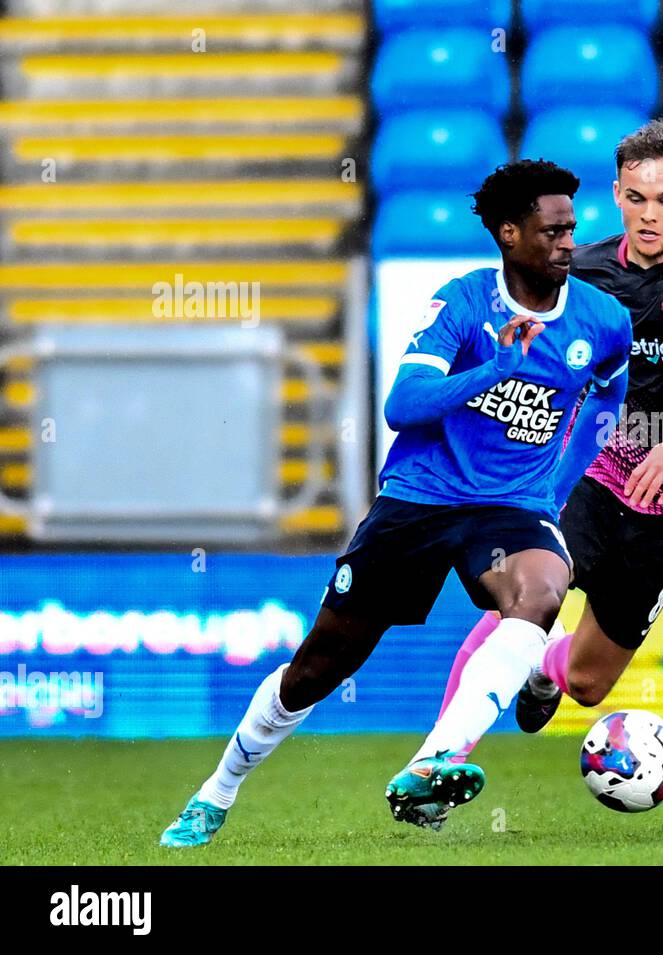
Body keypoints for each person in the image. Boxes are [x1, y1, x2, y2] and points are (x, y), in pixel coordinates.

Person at [159, 160, 633, 845]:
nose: (568, 242)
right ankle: (216, 790)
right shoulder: (464, 304)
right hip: (420, 498)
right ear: (508, 234)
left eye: (572, 229)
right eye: (552, 230)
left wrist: (557, 488)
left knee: (540, 588)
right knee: (318, 667)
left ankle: (434, 760)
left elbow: (610, 394)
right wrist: (494, 370)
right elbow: (401, 405)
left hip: (510, 505)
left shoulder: (603, 318)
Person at [425, 120, 663, 775]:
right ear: (616, 194)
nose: (648, 214)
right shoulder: (584, 276)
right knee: (529, 597)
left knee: (591, 682)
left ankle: (543, 669)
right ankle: (437, 760)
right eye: (635, 197)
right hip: (595, 470)